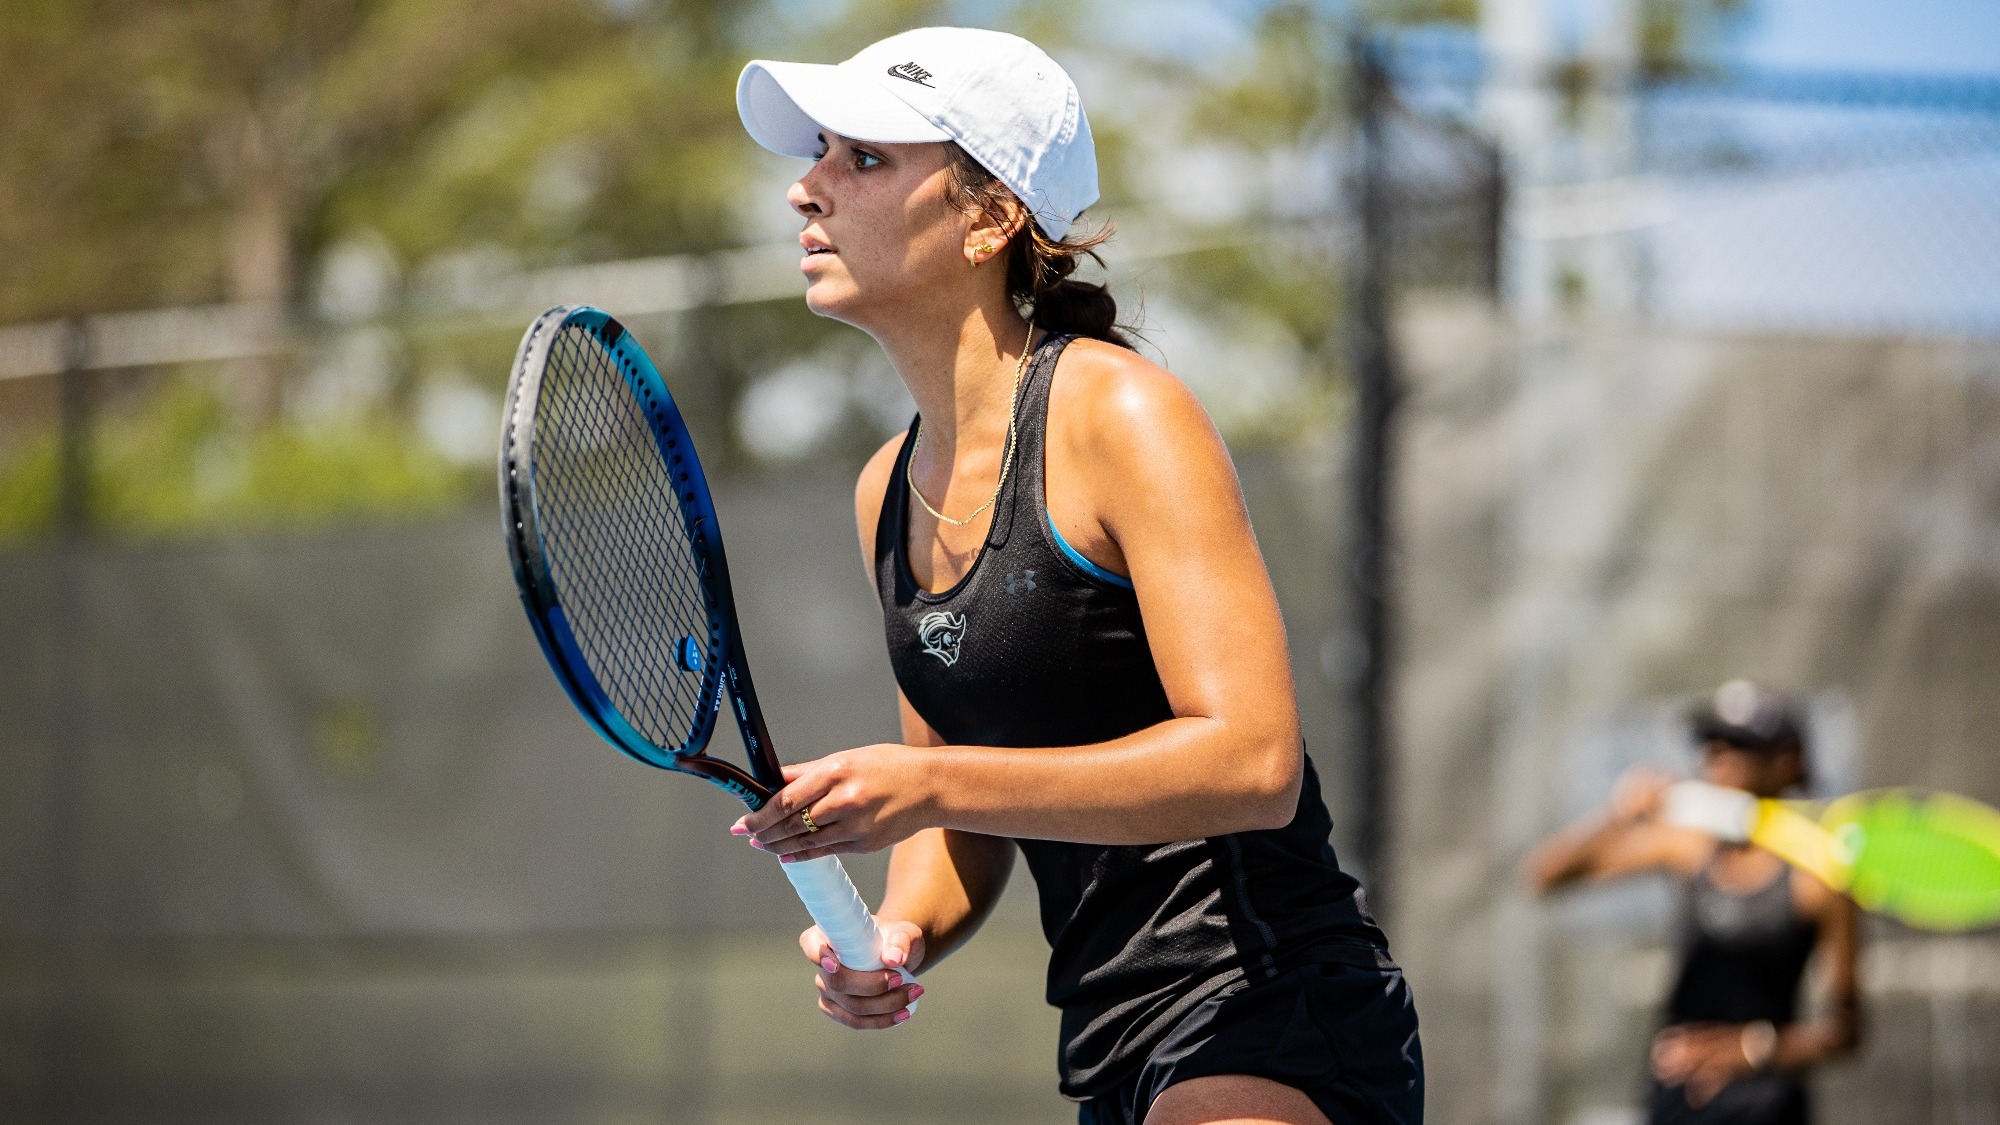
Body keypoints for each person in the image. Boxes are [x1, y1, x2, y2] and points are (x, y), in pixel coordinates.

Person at [727, 26, 1422, 1125]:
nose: (803, 188)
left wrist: (936, 786)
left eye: (863, 159)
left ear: (989, 218)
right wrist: (900, 932)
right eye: (820, 152)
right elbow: (956, 813)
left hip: (1270, 1007)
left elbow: (1252, 762)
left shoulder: (1120, 413)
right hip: (1106, 1049)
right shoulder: (885, 487)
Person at [1525, 680, 1862, 1125]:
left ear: (1786, 761)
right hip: (1676, 1100)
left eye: (1738, 744)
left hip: (1765, 1107)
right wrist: (1621, 813)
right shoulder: (1689, 847)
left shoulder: (1820, 876)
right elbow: (1545, 875)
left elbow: (1844, 1031)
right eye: (1709, 742)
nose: (1715, 756)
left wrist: (1748, 1050)